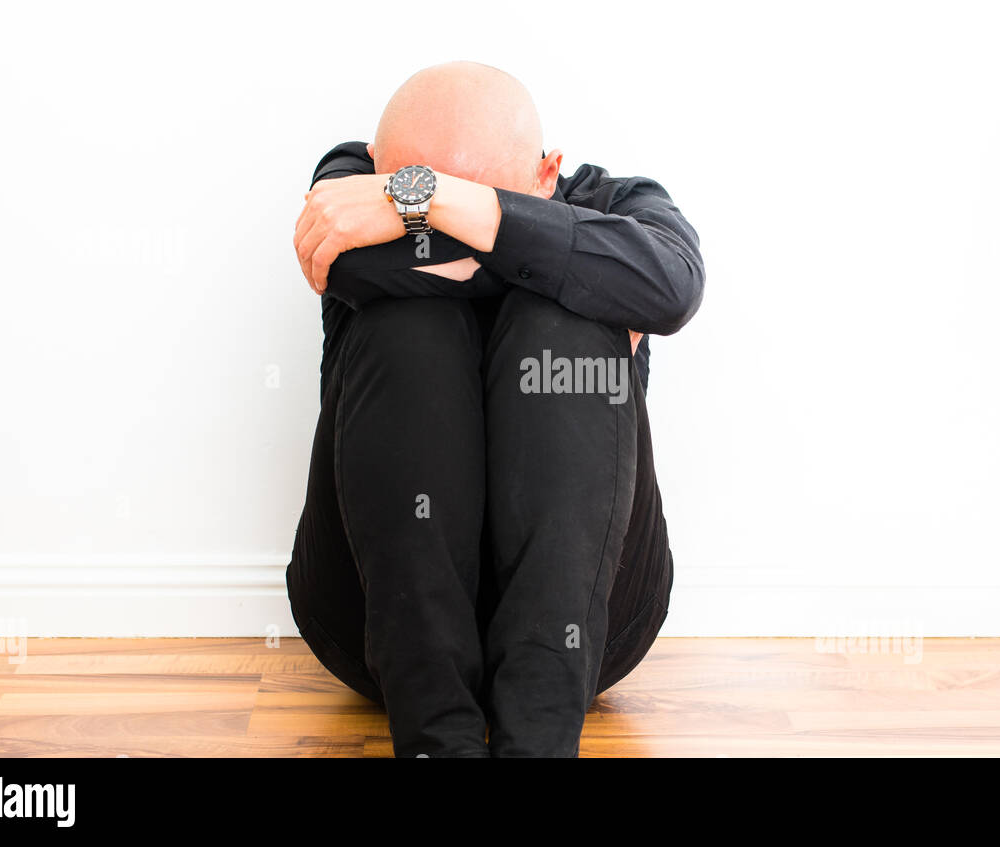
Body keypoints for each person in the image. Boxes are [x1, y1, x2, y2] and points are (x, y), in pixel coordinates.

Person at [287, 61, 704, 757]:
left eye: (463, 195)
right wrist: (558, 255)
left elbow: (673, 285)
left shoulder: (617, 198)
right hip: (369, 618)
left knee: (560, 327)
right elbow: (348, 263)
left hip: (591, 626)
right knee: (409, 327)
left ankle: (539, 738)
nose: (428, 202)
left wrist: (418, 209)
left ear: (550, 176)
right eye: (409, 187)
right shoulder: (348, 174)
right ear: (375, 164)